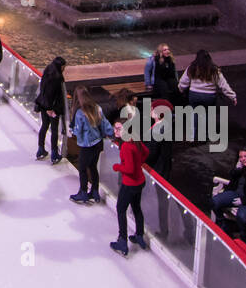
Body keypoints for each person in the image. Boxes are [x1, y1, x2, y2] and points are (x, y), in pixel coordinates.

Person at [109, 120, 150, 256]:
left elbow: (129, 169)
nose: (116, 131)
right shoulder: (135, 140)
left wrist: (117, 167)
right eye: (115, 128)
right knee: (136, 207)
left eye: (119, 129)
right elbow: (146, 152)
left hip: (130, 184)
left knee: (121, 209)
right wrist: (139, 162)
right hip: (140, 182)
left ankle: (122, 241)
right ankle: (139, 235)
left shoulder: (126, 146)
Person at [69, 86, 114, 204]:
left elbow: (78, 131)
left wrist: (71, 131)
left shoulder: (80, 113)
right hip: (98, 143)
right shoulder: (97, 108)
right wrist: (112, 134)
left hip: (87, 146)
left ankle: (83, 192)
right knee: (93, 167)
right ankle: (94, 191)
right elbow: (105, 124)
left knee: (82, 169)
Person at [34, 56, 67, 164]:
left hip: (43, 105)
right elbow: (51, 94)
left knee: (44, 126)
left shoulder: (48, 71)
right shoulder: (56, 78)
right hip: (52, 108)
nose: (64, 69)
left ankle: (40, 149)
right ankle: (54, 154)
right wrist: (50, 108)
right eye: (63, 66)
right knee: (54, 130)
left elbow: (44, 90)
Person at [143, 99, 176, 180]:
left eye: (152, 109)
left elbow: (151, 152)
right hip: (159, 166)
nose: (150, 110)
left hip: (156, 169)